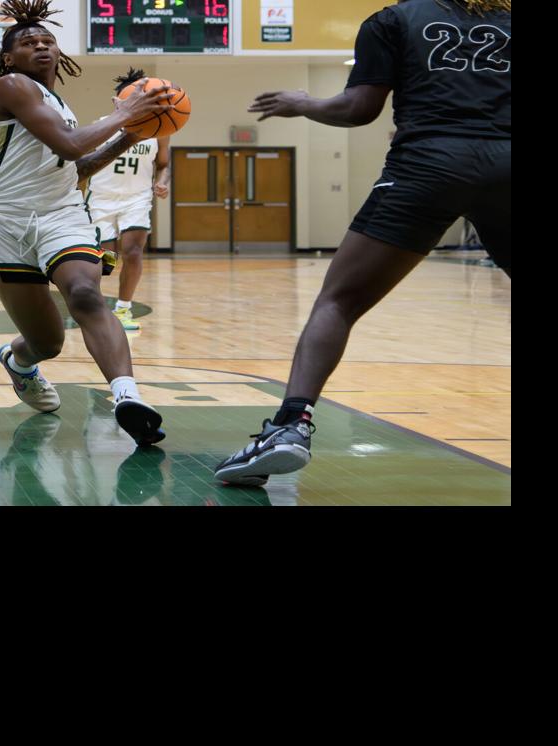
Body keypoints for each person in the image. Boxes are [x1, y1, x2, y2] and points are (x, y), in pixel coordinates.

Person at [215, 0, 511, 486]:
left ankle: (290, 427)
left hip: (430, 165)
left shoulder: (393, 19)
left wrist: (302, 103)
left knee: (339, 301)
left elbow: (359, 109)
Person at [0, 0, 174, 445]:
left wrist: (129, 136)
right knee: (46, 343)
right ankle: (18, 362)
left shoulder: (59, 105)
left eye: (48, 40)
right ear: (9, 57)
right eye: (29, 42)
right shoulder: (11, 86)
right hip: (5, 222)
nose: (41, 46)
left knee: (85, 293)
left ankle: (127, 397)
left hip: (62, 214)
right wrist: (126, 114)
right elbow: (68, 146)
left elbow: (76, 169)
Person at [84, 68, 170, 331]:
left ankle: (123, 309)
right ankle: (91, 308)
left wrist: (162, 181)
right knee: (104, 260)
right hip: (101, 198)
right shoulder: (103, 125)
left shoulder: (160, 130)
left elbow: (163, 164)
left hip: (137, 198)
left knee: (133, 252)